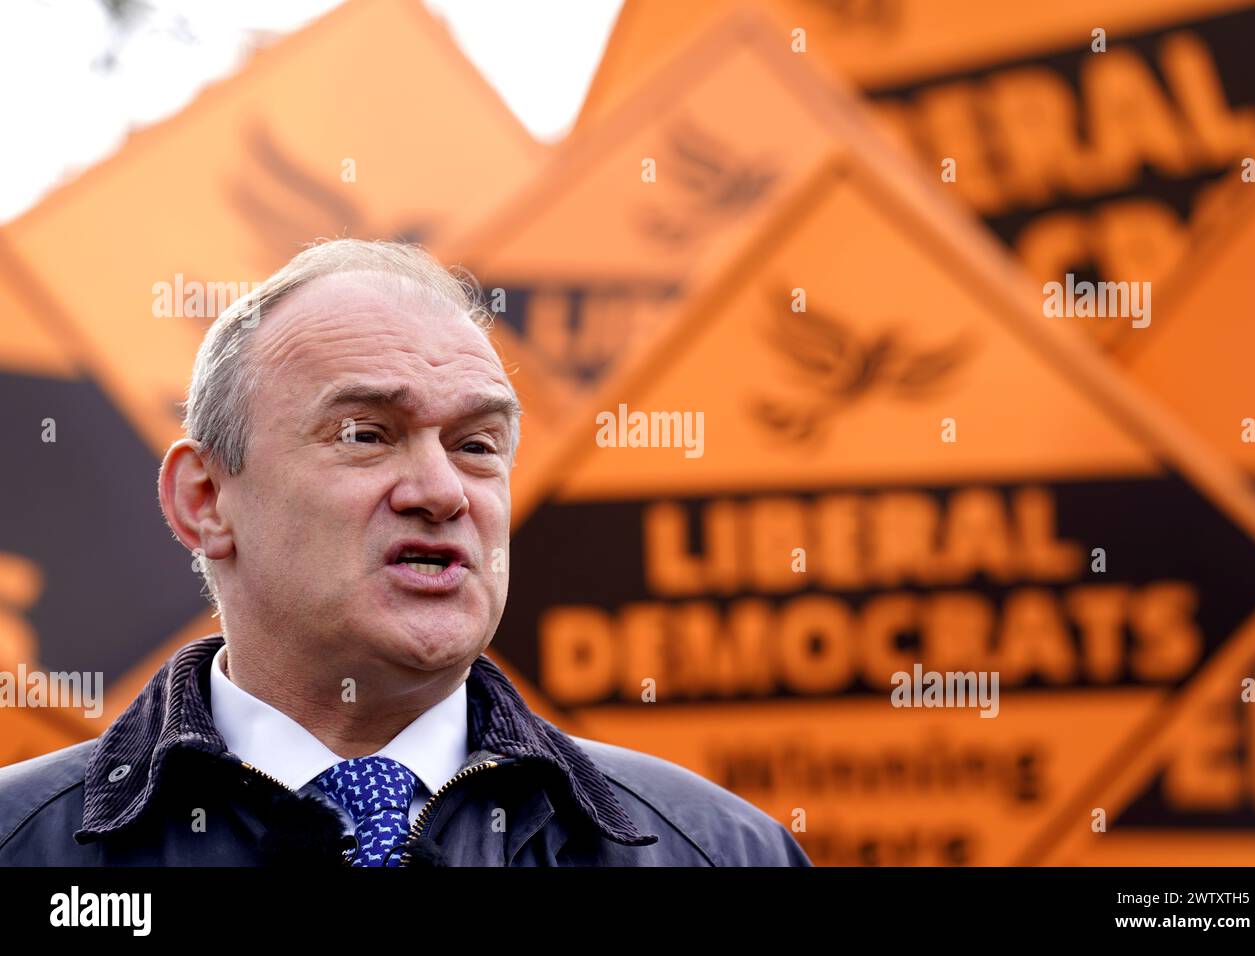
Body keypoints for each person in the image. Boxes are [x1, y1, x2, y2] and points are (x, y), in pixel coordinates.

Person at [0, 239, 812, 867]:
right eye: (367, 434)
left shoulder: (717, 850)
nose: (442, 490)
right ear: (206, 500)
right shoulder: (24, 845)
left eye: (477, 444)